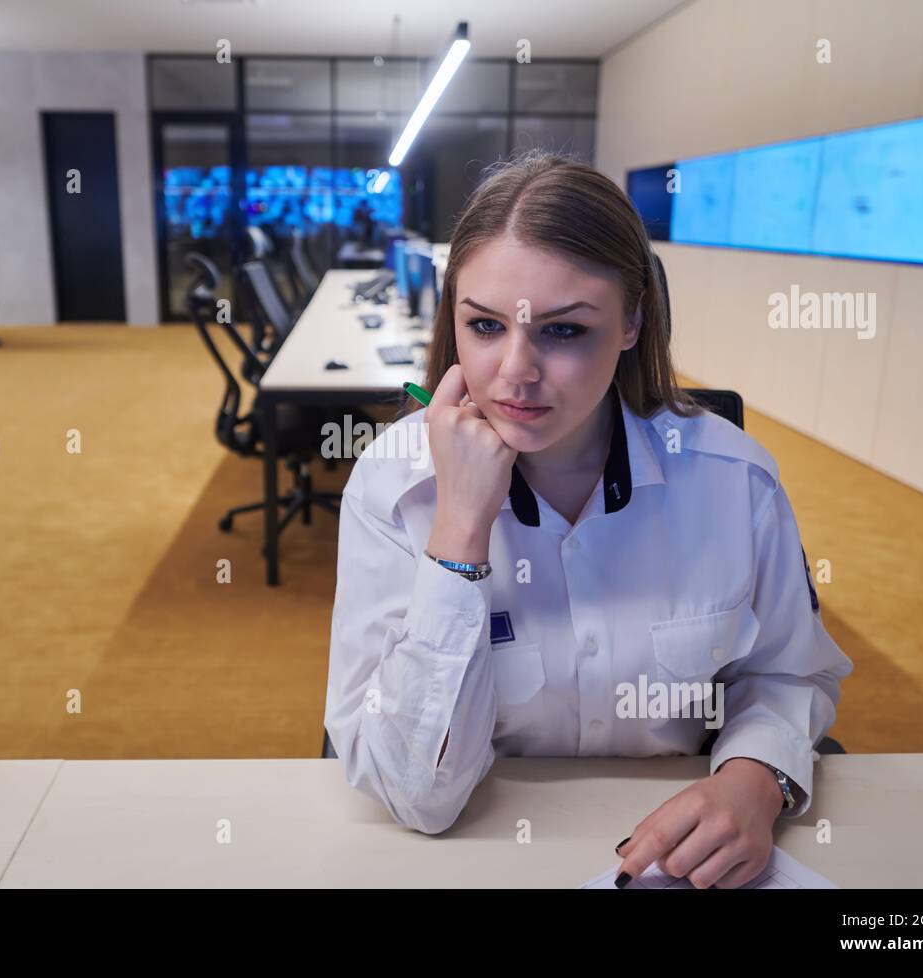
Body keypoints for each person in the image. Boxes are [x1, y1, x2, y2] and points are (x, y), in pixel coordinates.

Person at [324, 151, 853, 888]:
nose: (514, 371)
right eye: (483, 325)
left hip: (677, 850)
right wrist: (460, 534)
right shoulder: (393, 486)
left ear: (633, 321)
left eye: (564, 331)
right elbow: (418, 795)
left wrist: (756, 777)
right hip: (480, 855)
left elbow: (789, 674)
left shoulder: (733, 480)